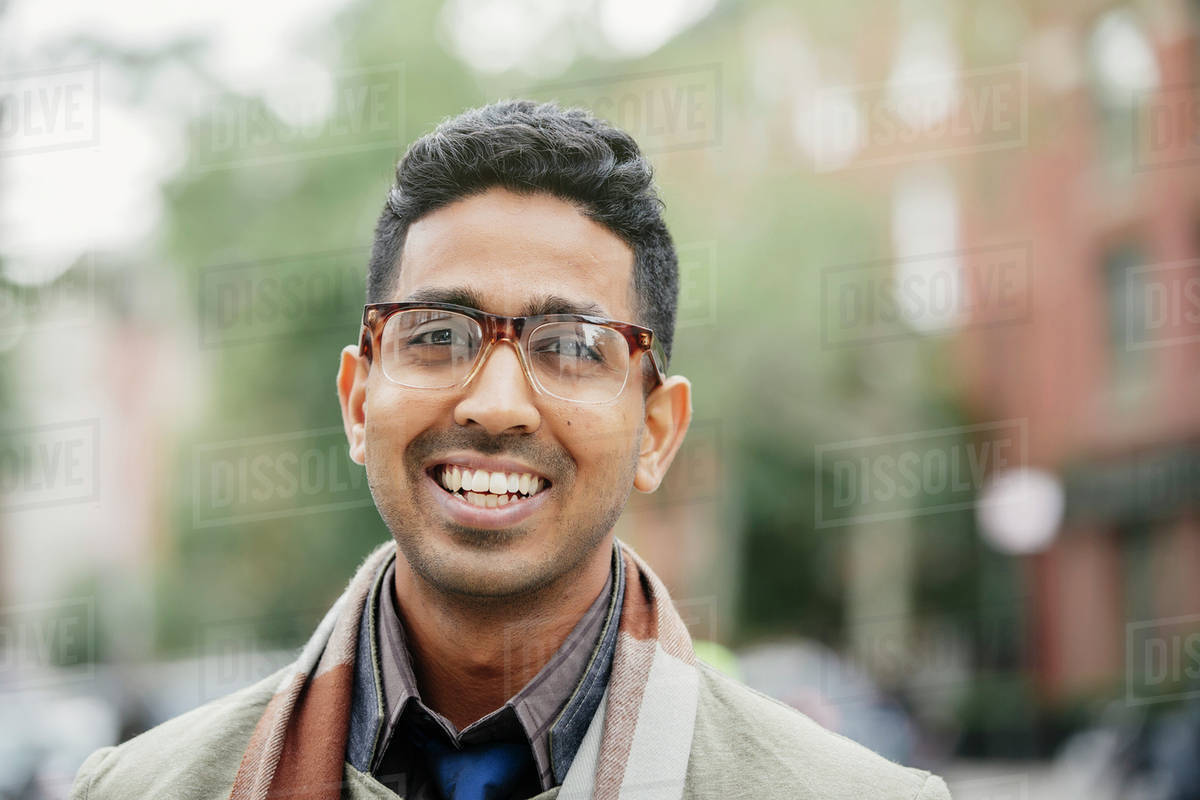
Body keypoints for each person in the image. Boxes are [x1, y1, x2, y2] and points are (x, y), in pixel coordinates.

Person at [70, 101, 952, 800]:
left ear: (655, 433)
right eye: (436, 335)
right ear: (356, 400)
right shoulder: (143, 790)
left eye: (569, 345)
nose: (495, 406)